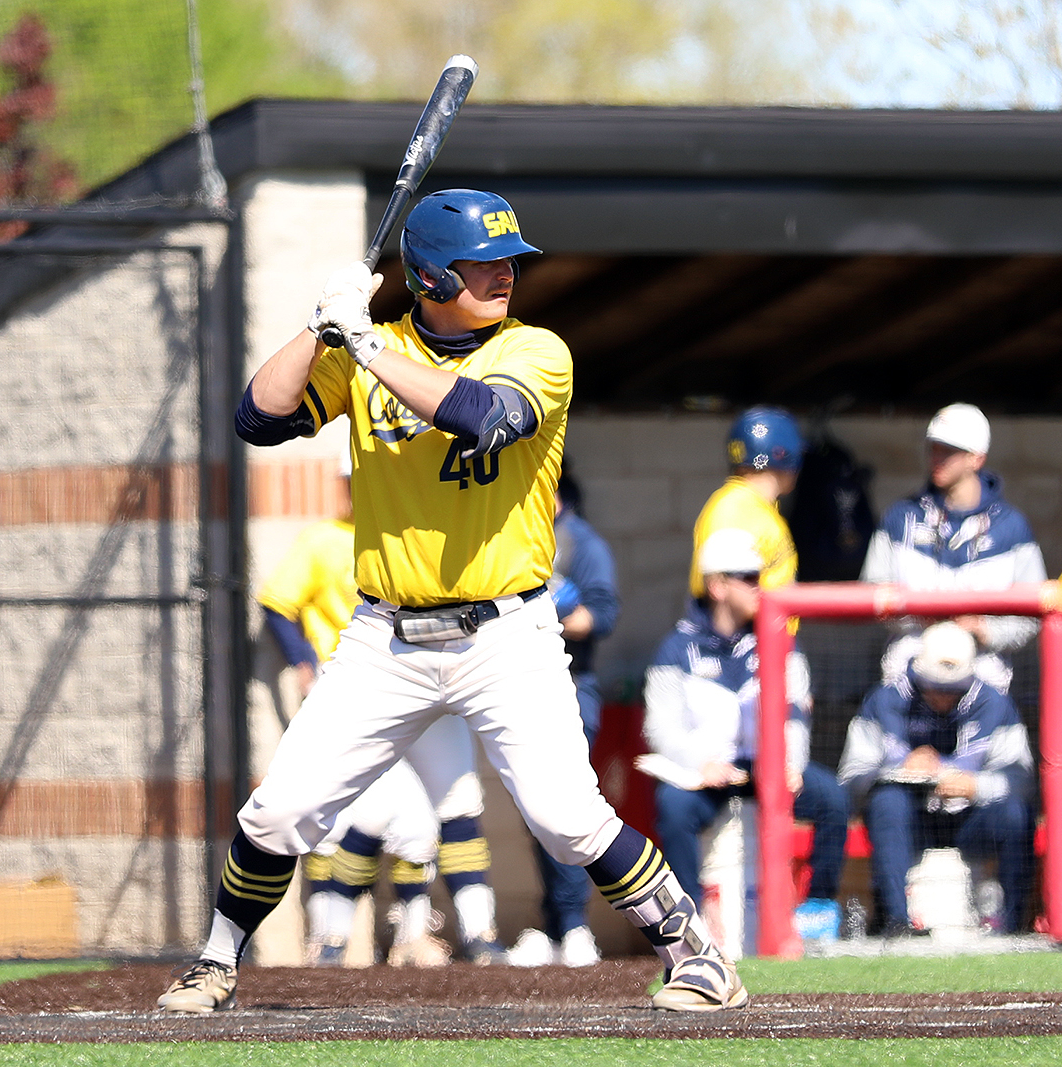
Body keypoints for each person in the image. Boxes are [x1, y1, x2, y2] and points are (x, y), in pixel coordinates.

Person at [159, 189, 744, 1014]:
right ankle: (215, 962)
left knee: (567, 820)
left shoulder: (536, 350)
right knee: (280, 809)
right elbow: (259, 417)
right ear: (430, 277)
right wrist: (321, 324)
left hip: (505, 632)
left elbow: (481, 417)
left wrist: (363, 345)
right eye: (483, 264)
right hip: (385, 637)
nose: (506, 275)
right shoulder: (371, 350)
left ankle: (695, 954)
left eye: (509, 261)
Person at [256, 451, 505, 966]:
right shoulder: (324, 539)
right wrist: (303, 660)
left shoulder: (431, 531)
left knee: (458, 803)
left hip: (436, 684)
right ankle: (331, 938)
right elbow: (277, 601)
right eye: (356, 479)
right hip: (361, 690)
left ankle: (477, 933)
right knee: (358, 815)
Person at [646, 529, 847, 941]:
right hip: (709, 772)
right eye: (748, 578)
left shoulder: (779, 639)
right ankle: (689, 924)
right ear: (717, 585)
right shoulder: (676, 647)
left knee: (833, 800)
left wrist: (790, 764)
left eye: (761, 577)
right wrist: (700, 764)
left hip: (769, 765)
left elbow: (796, 714)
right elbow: (661, 728)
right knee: (673, 807)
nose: (760, 587)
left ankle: (816, 912)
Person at [839, 621, 1034, 935]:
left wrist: (976, 785)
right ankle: (897, 923)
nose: (943, 696)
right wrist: (902, 770)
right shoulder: (884, 700)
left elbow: (1021, 779)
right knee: (888, 803)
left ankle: (1012, 927)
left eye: (953, 688)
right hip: (910, 819)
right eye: (934, 685)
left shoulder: (995, 704)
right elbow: (852, 779)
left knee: (1015, 813)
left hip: (970, 818)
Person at [507, 469, 619, 968]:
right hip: (521, 684)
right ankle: (555, 923)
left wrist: (549, 611)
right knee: (537, 813)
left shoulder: (580, 541)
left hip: (574, 685)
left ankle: (575, 924)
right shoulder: (509, 533)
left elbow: (601, 617)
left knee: (566, 804)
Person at [860, 404, 1046, 693]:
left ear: (976, 458)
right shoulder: (900, 517)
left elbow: (1033, 612)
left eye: (950, 451)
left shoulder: (1011, 526)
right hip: (909, 673)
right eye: (934, 448)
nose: (937, 458)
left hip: (983, 677)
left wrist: (985, 629)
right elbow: (871, 591)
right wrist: (917, 614)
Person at [689, 406, 802, 602]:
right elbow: (727, 601)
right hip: (747, 631)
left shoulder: (755, 505)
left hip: (767, 629)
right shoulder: (736, 510)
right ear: (781, 454)